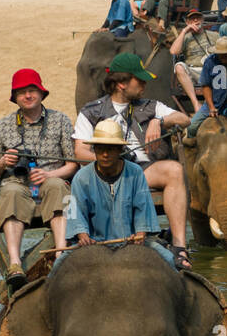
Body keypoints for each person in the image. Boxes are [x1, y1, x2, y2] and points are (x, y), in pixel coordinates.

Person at [73, 52, 193, 270]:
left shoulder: (151, 106)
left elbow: (185, 119)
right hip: (107, 172)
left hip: (142, 171)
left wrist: (160, 120)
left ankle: (179, 247)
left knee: (175, 170)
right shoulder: (91, 111)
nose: (144, 84)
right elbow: (80, 152)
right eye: (139, 79)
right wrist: (109, 160)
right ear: (121, 83)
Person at [0, 69, 78, 291]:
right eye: (21, 92)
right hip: (16, 184)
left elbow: (73, 163)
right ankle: (15, 263)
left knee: (57, 187)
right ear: (15, 98)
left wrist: (49, 175)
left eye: (31, 91)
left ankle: (61, 252)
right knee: (10, 192)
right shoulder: (3, 125)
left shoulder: (60, 120)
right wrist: (4, 162)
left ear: (41, 93)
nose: (27, 96)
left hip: (51, 179)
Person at [64, 119, 179, 268]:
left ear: (120, 150)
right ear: (94, 149)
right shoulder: (81, 177)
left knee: (169, 260)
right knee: (59, 264)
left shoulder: (135, 173)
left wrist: (140, 233)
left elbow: (143, 208)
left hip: (131, 243)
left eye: (111, 149)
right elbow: (76, 214)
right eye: (100, 148)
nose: (105, 154)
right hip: (94, 244)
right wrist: (83, 236)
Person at [170, 9, 211, 112]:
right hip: (193, 71)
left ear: (202, 19)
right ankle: (195, 103)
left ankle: (212, 105)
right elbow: (173, 52)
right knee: (179, 66)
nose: (196, 20)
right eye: (192, 19)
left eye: (198, 17)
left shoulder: (212, 35)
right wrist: (184, 31)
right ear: (187, 22)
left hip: (211, 70)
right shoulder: (185, 37)